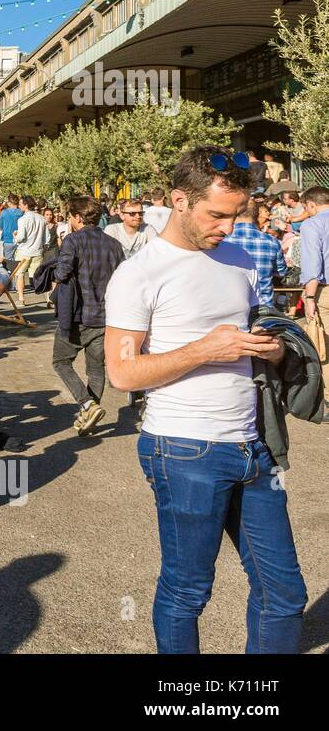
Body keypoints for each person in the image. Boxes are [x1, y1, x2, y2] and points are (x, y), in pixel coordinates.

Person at [105, 145, 304, 654]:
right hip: (183, 449)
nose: (229, 227)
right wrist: (204, 349)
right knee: (187, 592)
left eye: (237, 214)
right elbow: (123, 373)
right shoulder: (139, 273)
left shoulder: (239, 258)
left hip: (253, 445)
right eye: (217, 215)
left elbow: (250, 332)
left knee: (284, 593)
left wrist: (273, 348)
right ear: (178, 200)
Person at [50, 195, 124, 435]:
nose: (69, 221)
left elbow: (61, 274)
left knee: (61, 362)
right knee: (95, 368)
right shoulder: (113, 244)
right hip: (106, 316)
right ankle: (90, 414)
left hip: (78, 315)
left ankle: (87, 404)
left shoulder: (73, 241)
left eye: (70, 216)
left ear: (78, 218)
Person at [221, 196, 287, 308]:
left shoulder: (222, 240)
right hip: (262, 307)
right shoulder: (271, 242)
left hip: (229, 306)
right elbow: (281, 272)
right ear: (257, 216)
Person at [295, 186, 329, 327]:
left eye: (306, 208)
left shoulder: (312, 224)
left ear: (311, 204)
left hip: (325, 290)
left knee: (324, 343)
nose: (306, 212)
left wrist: (309, 298)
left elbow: (312, 263)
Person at [11, 195, 46, 298]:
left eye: (20, 204)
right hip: (38, 251)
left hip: (24, 251)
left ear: (26, 205)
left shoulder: (22, 219)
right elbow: (46, 237)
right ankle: (46, 298)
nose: (19, 206)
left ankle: (21, 298)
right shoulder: (41, 218)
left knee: (20, 274)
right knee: (36, 275)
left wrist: (15, 237)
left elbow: (21, 237)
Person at [0, 194, 22, 264]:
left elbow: (1, 227)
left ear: (9, 202)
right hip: (20, 239)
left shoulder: (4, 213)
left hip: (8, 240)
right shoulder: (21, 212)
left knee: (8, 261)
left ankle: (9, 274)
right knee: (18, 262)